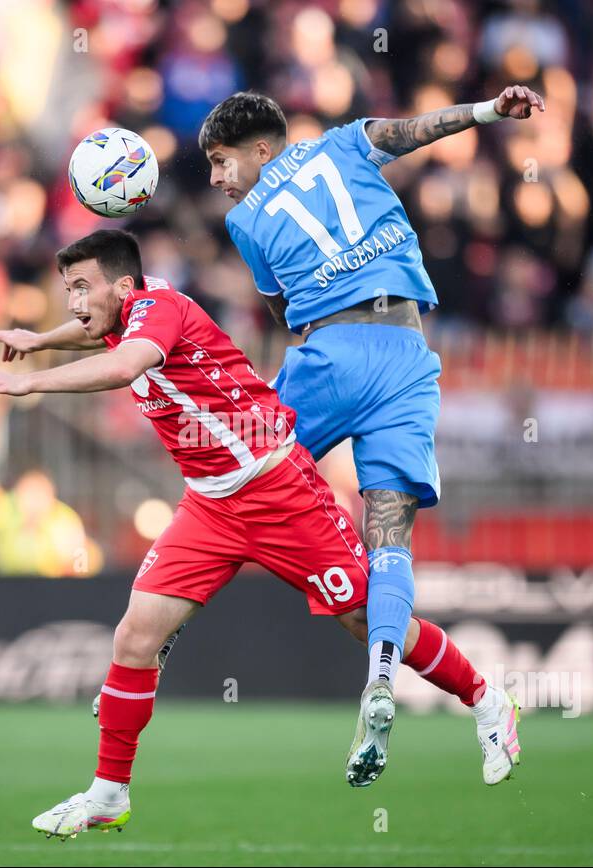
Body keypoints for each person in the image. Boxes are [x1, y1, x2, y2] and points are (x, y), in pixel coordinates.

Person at [0, 230, 515, 839]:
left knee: (365, 621)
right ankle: (108, 792)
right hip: (210, 506)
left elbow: (123, 364)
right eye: (68, 289)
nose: (74, 302)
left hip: (280, 490)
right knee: (134, 637)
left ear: (122, 286)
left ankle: (485, 699)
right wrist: (40, 340)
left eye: (82, 287)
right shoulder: (127, 310)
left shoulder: (159, 312)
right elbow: (99, 334)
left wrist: (30, 380)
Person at [199, 87, 541, 784]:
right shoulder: (347, 142)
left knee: (228, 486)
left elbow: (282, 309)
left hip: (330, 359)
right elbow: (416, 130)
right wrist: (489, 112)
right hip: (408, 358)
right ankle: (382, 674)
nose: (216, 178)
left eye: (220, 160)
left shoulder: (244, 219)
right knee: (388, 536)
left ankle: (157, 636)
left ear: (262, 150)